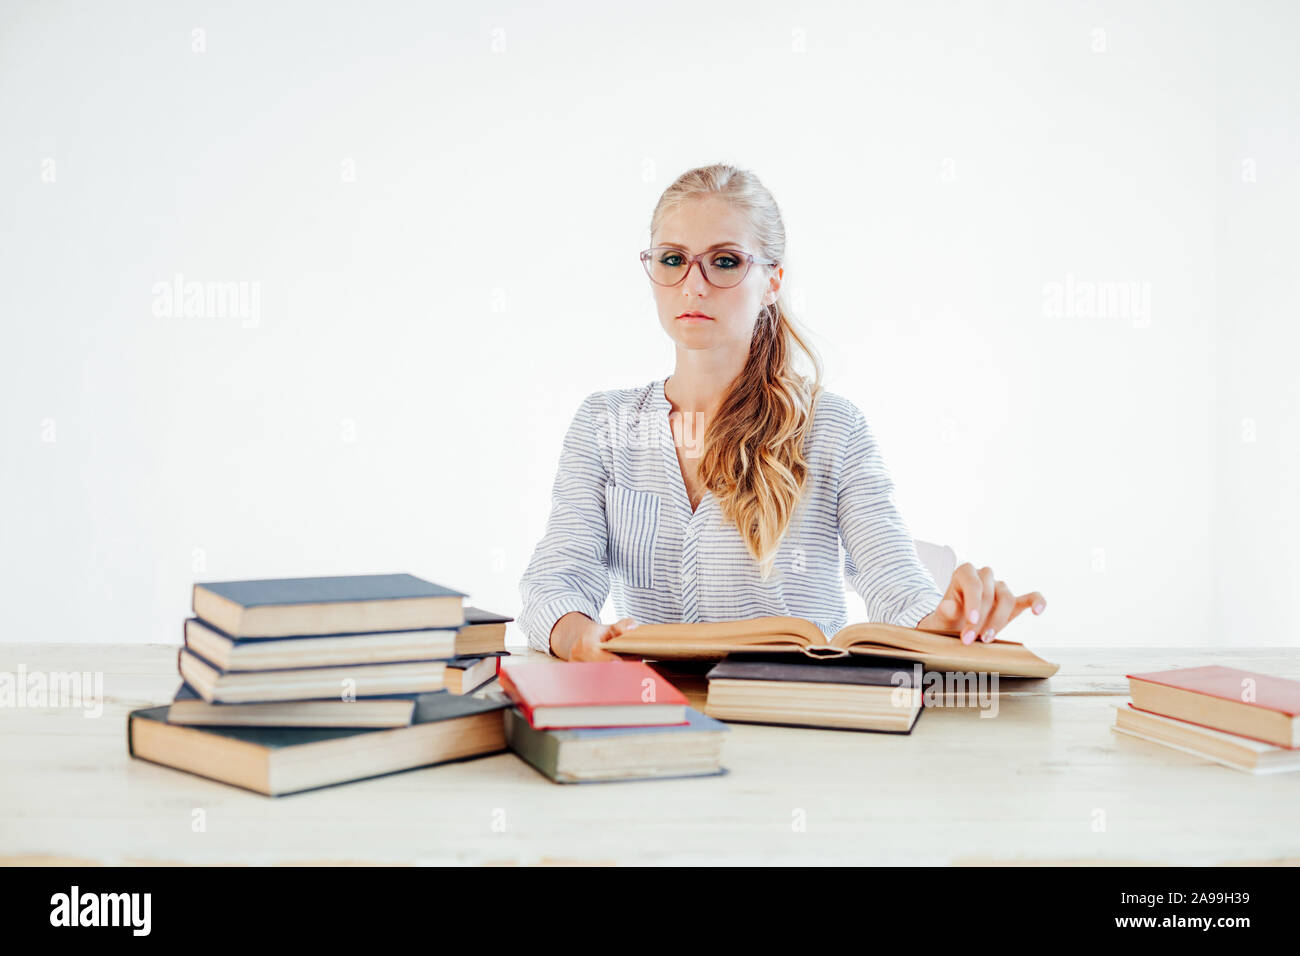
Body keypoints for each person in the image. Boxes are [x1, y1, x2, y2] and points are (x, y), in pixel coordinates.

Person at [519, 163, 1045, 661]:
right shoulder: (603, 425)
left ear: (771, 282)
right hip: (663, 719)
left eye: (725, 261)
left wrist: (949, 619)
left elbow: (897, 588)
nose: (694, 285)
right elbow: (555, 583)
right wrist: (582, 639)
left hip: (792, 715)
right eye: (673, 259)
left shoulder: (834, 428)